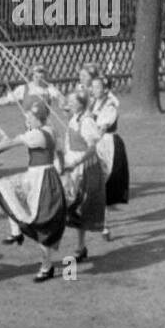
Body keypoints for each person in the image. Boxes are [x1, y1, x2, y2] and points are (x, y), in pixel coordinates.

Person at [0, 98, 67, 282]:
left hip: (40, 179)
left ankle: (47, 266)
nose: (27, 120)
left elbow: (13, 142)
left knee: (40, 219)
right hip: (47, 176)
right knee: (36, 214)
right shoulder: (51, 130)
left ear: (38, 118)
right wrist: (61, 167)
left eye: (30, 117)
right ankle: (45, 263)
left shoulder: (36, 135)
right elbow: (60, 152)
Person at [60, 88, 105, 261]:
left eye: (72, 101)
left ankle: (79, 246)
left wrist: (75, 163)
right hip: (72, 165)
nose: (68, 104)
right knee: (68, 205)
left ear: (80, 103)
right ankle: (77, 245)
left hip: (83, 168)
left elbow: (92, 149)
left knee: (79, 207)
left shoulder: (86, 121)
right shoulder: (74, 118)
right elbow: (68, 142)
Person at [89, 75, 129, 238]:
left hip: (108, 145)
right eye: (93, 87)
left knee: (103, 182)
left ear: (105, 89)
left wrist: (91, 135)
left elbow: (102, 128)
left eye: (97, 87)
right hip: (95, 143)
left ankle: (104, 224)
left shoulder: (110, 105)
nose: (94, 90)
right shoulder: (93, 102)